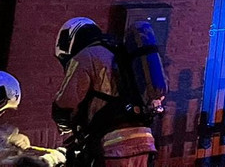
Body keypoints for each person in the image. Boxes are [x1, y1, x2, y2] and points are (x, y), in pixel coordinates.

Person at [52, 20, 155, 167]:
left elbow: (65, 104)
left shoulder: (85, 56)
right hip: (146, 143)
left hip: (114, 146)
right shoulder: (122, 53)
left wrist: (65, 123)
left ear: (70, 42)